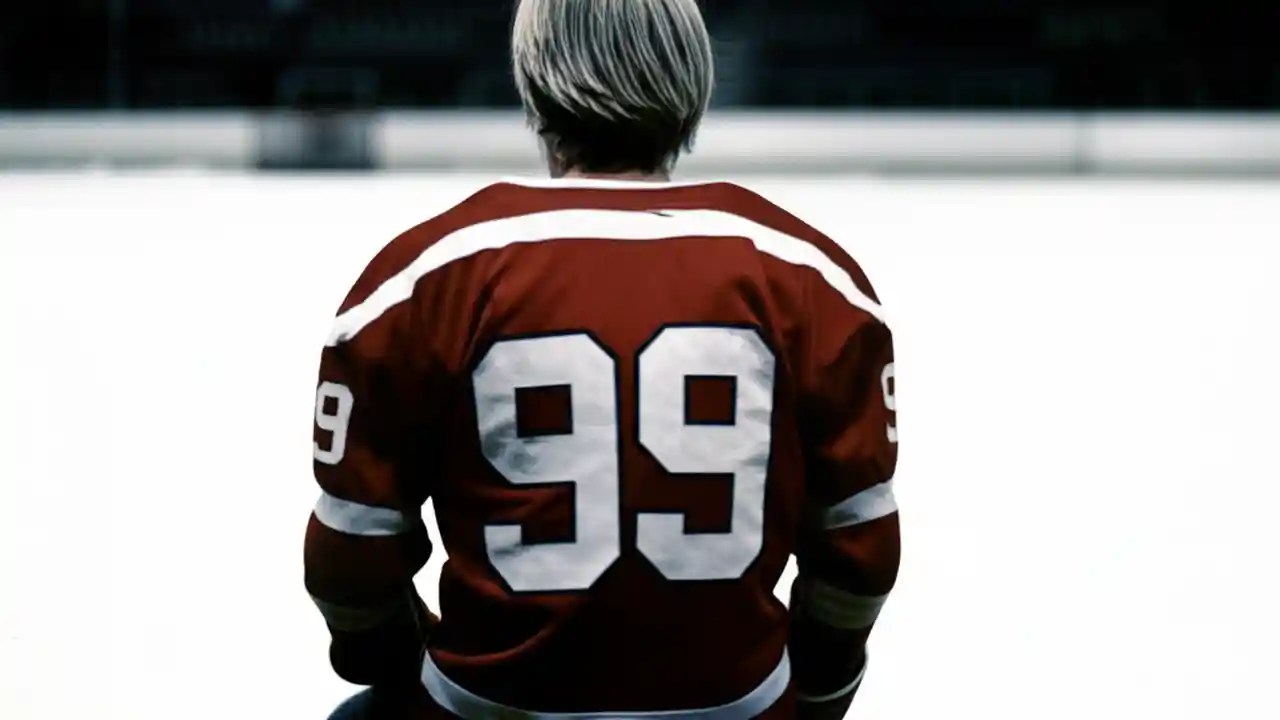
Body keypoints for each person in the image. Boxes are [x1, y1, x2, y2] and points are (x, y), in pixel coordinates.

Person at [305, 1, 900, 718]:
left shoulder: (422, 279)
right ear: (690, 73)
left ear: (536, 75)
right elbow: (859, 555)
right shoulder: (812, 277)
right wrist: (816, 692)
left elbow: (350, 560)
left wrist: (399, 667)